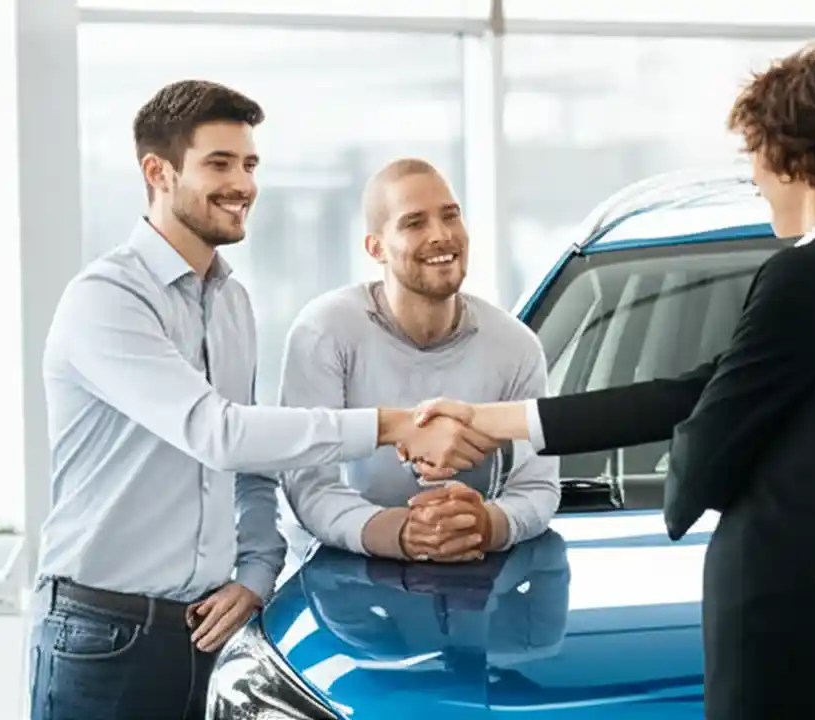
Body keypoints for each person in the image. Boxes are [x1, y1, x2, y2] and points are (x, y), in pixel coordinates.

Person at [409, 43, 815, 719]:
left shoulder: (806, 276)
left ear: (793, 153)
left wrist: (687, 477)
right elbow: (698, 391)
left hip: (782, 618)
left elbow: (711, 422)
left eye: (758, 154)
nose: (757, 178)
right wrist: (488, 420)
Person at [31, 80, 487, 720]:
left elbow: (247, 469)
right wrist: (391, 426)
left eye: (249, 164)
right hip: (104, 632)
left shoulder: (231, 302)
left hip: (210, 631)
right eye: (218, 164)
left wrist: (255, 573)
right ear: (158, 172)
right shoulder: (106, 300)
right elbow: (218, 432)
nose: (242, 184)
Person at [267, 158, 559, 565]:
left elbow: (538, 487)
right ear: (376, 248)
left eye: (450, 216)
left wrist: (487, 524)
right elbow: (308, 481)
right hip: (342, 583)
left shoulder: (515, 346)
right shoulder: (324, 332)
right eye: (414, 223)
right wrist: (401, 533)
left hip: (479, 575)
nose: (441, 235)